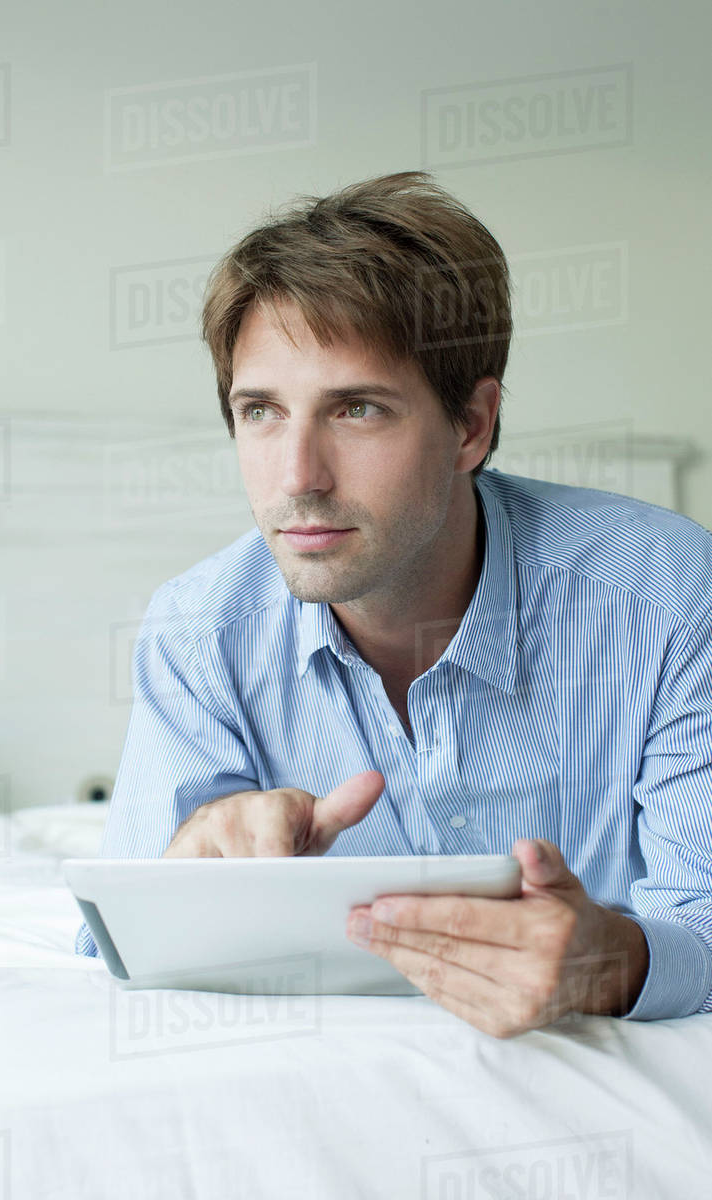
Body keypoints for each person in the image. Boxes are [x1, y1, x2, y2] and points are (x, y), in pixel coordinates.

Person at [76, 171, 712, 1038]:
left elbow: (703, 922)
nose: (297, 477)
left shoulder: (667, 596)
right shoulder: (199, 633)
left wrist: (616, 959)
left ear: (471, 427)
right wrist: (179, 880)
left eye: (357, 409)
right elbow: (107, 955)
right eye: (260, 411)